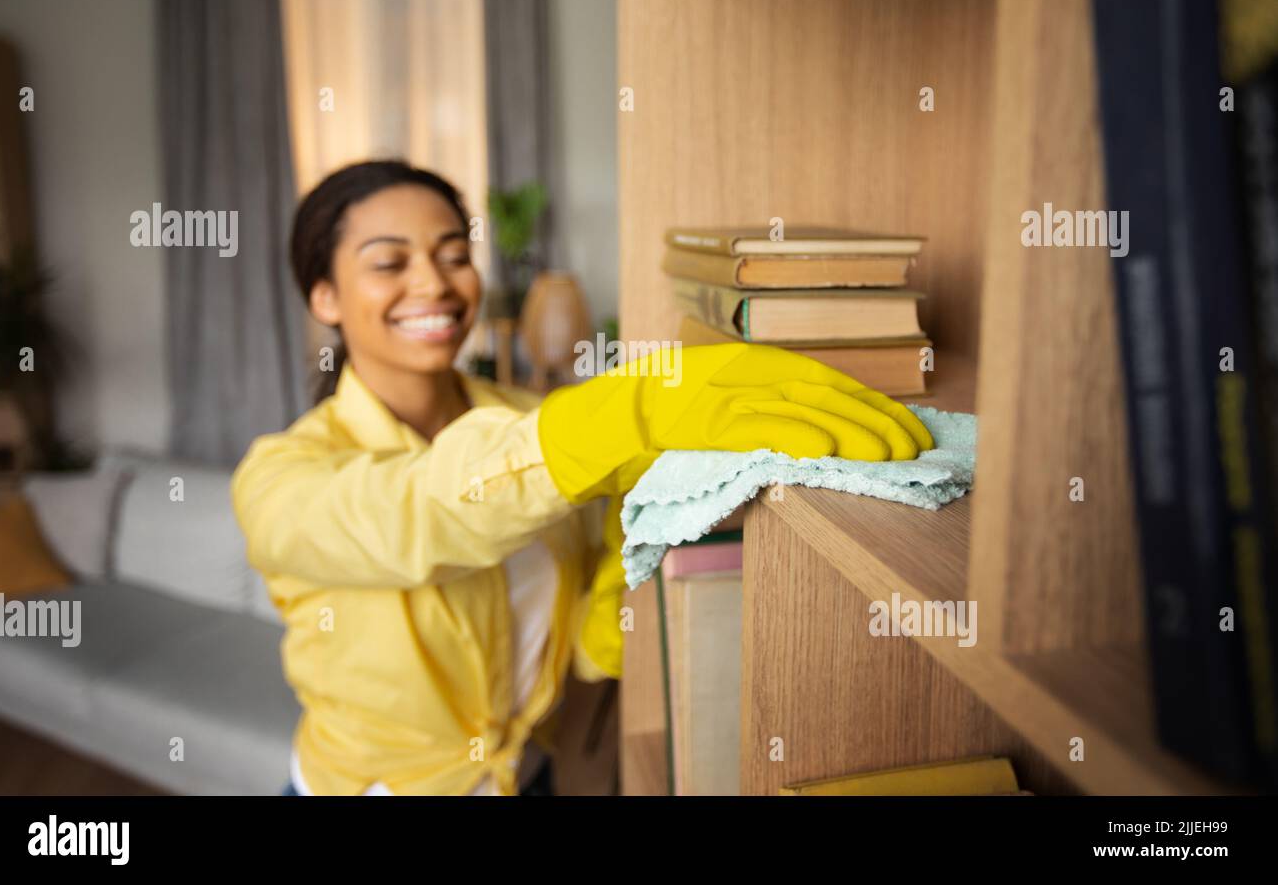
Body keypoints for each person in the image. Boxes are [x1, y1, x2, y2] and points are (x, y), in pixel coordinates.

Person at [230, 159, 934, 795]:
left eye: (454, 256)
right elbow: (418, 514)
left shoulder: (534, 419)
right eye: (389, 263)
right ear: (323, 296)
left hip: (529, 777)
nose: (434, 284)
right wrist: (629, 409)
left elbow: (579, 575)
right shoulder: (281, 479)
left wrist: (610, 614)